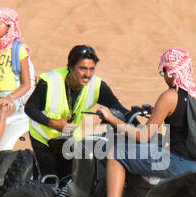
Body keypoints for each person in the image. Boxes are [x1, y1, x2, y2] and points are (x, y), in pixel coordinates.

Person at [79, 47, 196, 197]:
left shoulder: (169, 96)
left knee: (116, 154)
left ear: (170, 72)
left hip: (181, 165)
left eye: (164, 72)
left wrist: (111, 118)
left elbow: (143, 136)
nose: (164, 77)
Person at [25, 44, 128, 179]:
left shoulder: (96, 86)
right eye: (83, 69)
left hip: (69, 139)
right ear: (71, 67)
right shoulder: (50, 81)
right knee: (50, 181)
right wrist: (53, 123)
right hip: (43, 138)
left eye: (92, 69)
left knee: (69, 180)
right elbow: (30, 108)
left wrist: (138, 124)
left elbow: (118, 108)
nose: (88, 74)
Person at [0, 7, 37, 179]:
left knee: (2, 109)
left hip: (13, 97)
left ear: (9, 26)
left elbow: (26, 84)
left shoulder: (19, 50)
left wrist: (10, 97)